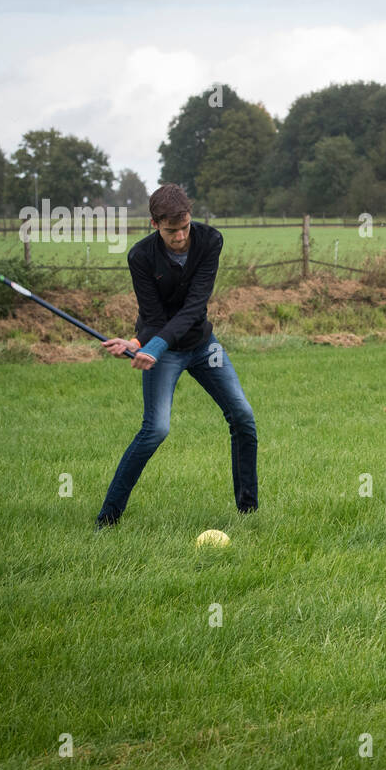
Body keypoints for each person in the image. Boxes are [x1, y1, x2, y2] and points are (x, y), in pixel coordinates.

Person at [95, 184, 258, 528]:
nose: (181, 236)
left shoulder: (210, 241)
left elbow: (194, 308)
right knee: (155, 430)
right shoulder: (141, 257)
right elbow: (153, 318)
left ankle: (248, 511)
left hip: (203, 346)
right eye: (172, 230)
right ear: (155, 224)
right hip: (164, 352)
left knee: (242, 416)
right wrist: (137, 343)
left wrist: (151, 346)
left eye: (185, 226)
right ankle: (108, 517)